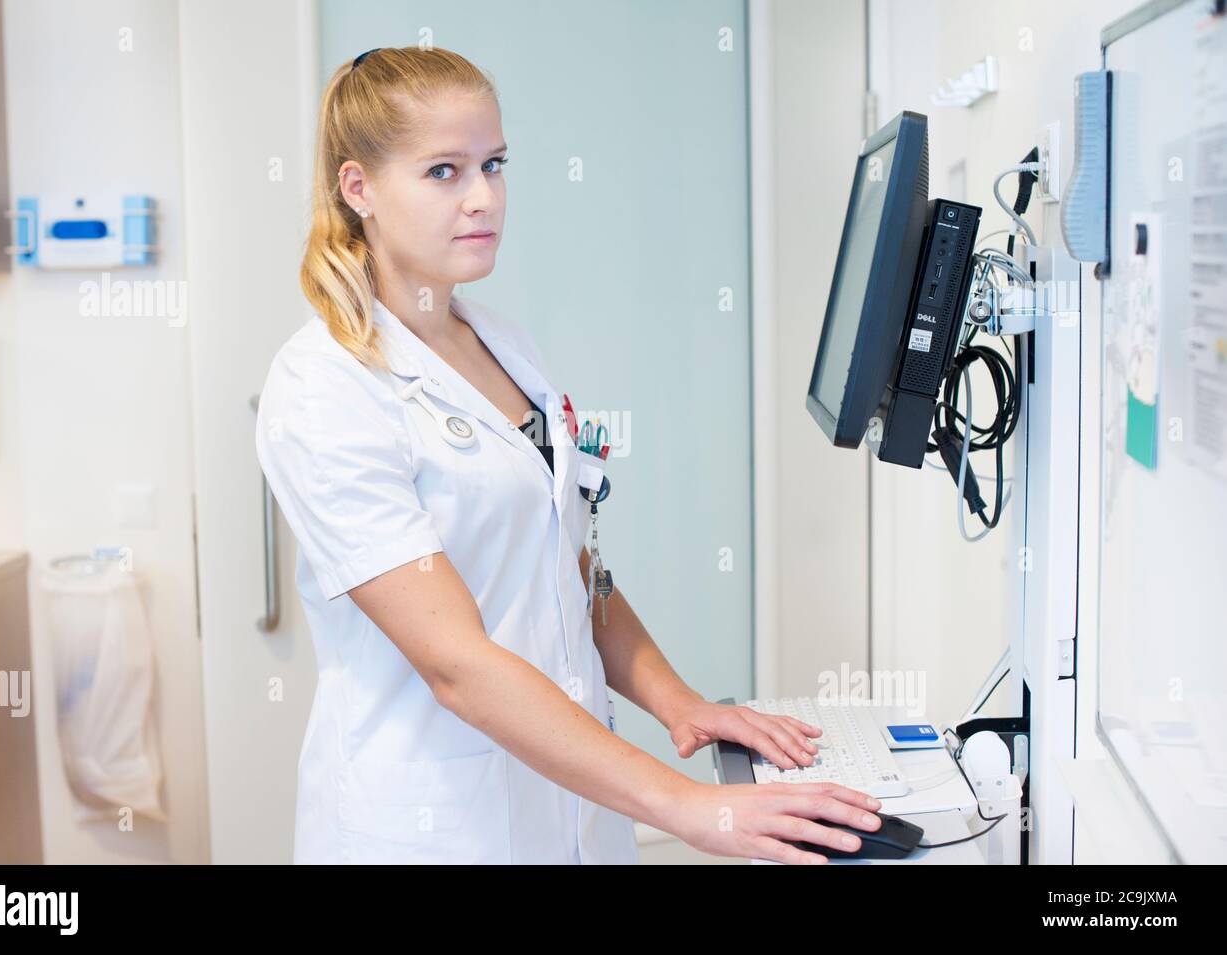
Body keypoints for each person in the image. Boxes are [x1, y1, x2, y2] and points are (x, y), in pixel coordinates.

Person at [254, 45, 882, 864]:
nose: (483, 198)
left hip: (571, 811)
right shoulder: (325, 388)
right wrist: (688, 806)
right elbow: (458, 665)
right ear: (358, 188)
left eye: (494, 164)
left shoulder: (503, 344)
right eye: (443, 171)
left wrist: (679, 703)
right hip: (435, 827)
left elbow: (571, 567)